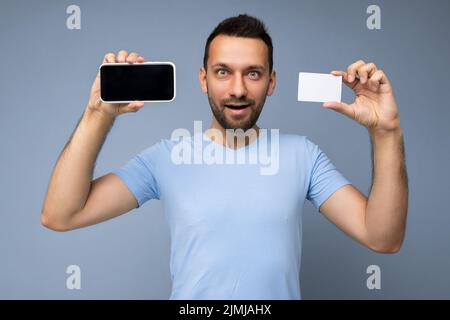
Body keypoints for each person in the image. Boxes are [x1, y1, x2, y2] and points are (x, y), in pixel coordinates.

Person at [41, 14, 408, 299]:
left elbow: (383, 238)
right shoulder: (167, 158)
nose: (237, 89)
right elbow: (61, 214)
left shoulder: (303, 155)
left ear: (271, 81)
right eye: (222, 72)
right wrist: (98, 114)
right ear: (203, 79)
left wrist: (386, 132)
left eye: (253, 73)